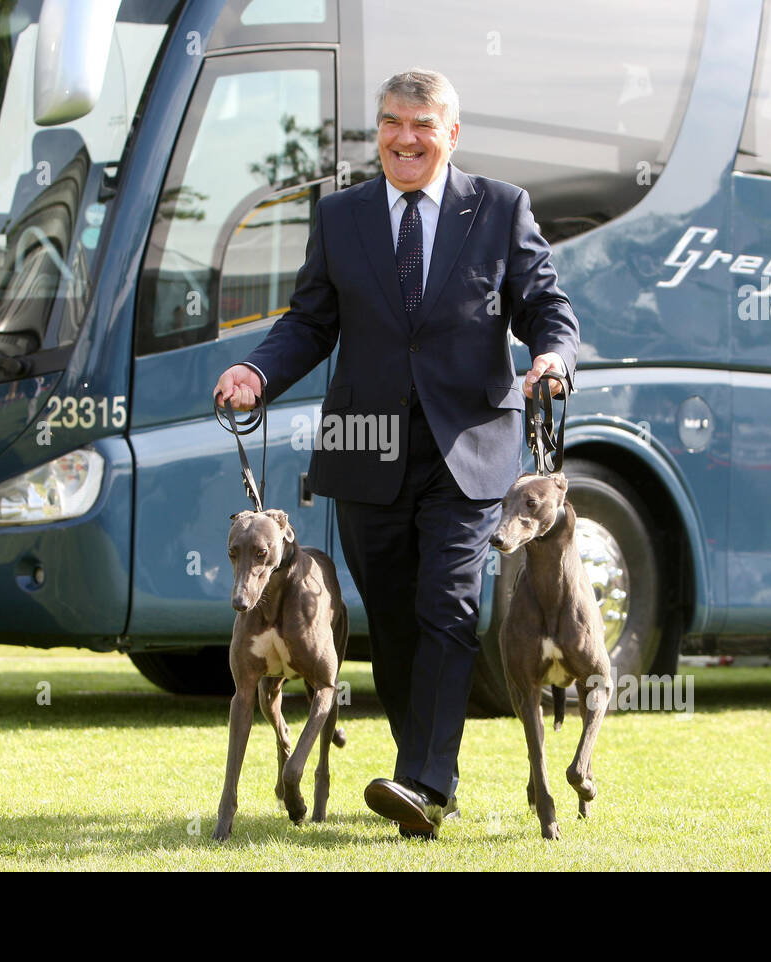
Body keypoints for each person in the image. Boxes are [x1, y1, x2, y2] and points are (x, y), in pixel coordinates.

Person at [213, 68, 579, 839]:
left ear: (451, 133)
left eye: (421, 124)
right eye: (390, 123)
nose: (404, 138)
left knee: (447, 607)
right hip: (365, 446)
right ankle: (420, 774)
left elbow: (547, 305)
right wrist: (257, 371)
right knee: (394, 613)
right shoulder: (341, 216)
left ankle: (426, 783)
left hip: (468, 447)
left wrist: (552, 355)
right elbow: (310, 322)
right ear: (377, 130)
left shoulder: (500, 209)